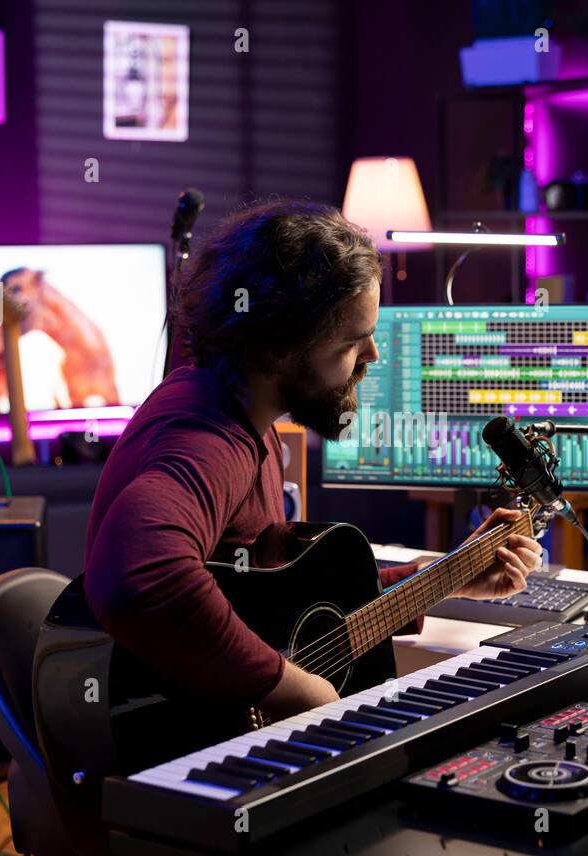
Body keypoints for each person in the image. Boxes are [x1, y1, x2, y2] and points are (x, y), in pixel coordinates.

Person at [83, 199, 543, 732]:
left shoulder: (244, 418)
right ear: (280, 346)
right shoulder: (208, 441)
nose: (372, 354)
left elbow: (276, 611)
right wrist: (288, 687)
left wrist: (444, 578)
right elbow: (138, 576)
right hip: (172, 758)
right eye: (353, 340)